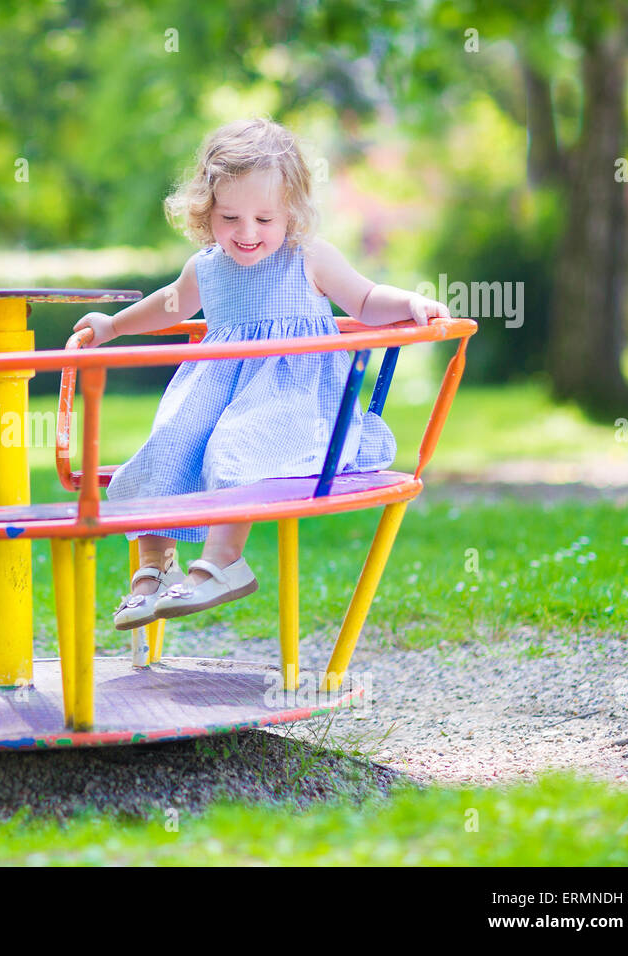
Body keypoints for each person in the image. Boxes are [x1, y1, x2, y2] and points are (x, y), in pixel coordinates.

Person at [74, 117, 450, 630]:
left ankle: (222, 561)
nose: (247, 233)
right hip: (220, 390)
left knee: (236, 444)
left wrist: (409, 302)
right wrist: (114, 325)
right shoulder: (206, 267)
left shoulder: (308, 258)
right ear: (206, 212)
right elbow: (169, 305)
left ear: (291, 212)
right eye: (229, 217)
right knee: (167, 446)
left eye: (264, 219)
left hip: (294, 398)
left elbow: (364, 299)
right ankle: (154, 569)